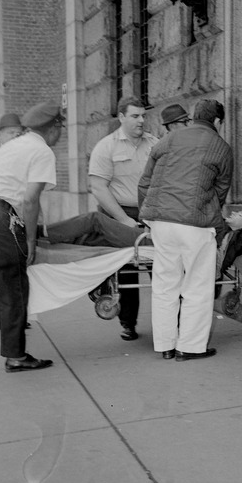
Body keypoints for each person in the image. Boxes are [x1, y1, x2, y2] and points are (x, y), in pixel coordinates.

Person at [0, 101, 64, 372]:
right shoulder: (41, 150)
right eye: (60, 127)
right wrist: (30, 240)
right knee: (13, 284)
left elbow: (28, 198)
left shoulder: (15, 144)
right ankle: (16, 356)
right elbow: (30, 200)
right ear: (54, 127)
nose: (61, 133)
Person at [138, 99, 232, 361]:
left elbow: (145, 183)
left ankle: (165, 346)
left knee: (165, 284)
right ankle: (189, 347)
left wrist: (149, 219)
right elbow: (220, 191)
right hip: (196, 223)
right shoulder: (221, 147)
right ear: (216, 121)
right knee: (198, 286)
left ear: (193, 118)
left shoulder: (167, 141)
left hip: (161, 222)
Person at [88, 96, 159, 341]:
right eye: (135, 116)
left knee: (160, 268)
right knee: (126, 271)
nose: (141, 120)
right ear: (121, 117)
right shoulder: (106, 147)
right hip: (121, 213)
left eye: (143, 115)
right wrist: (123, 219)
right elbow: (98, 187)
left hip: (152, 214)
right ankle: (128, 323)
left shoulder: (155, 144)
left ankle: (166, 322)